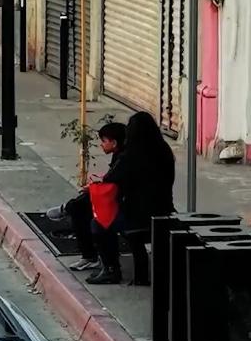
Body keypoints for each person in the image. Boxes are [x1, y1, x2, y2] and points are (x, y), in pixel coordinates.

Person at [88, 111, 176, 285]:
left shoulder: (132, 154)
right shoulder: (164, 149)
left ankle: (111, 269)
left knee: (99, 224)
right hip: (164, 209)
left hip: (137, 215)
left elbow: (112, 178)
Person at [46, 122, 127, 272]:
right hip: (117, 199)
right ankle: (69, 209)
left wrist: (94, 187)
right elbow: (110, 179)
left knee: (81, 208)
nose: (101, 145)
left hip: (122, 204)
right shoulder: (120, 155)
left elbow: (112, 182)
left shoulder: (124, 158)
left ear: (114, 142)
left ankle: (68, 209)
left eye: (104, 141)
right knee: (82, 204)